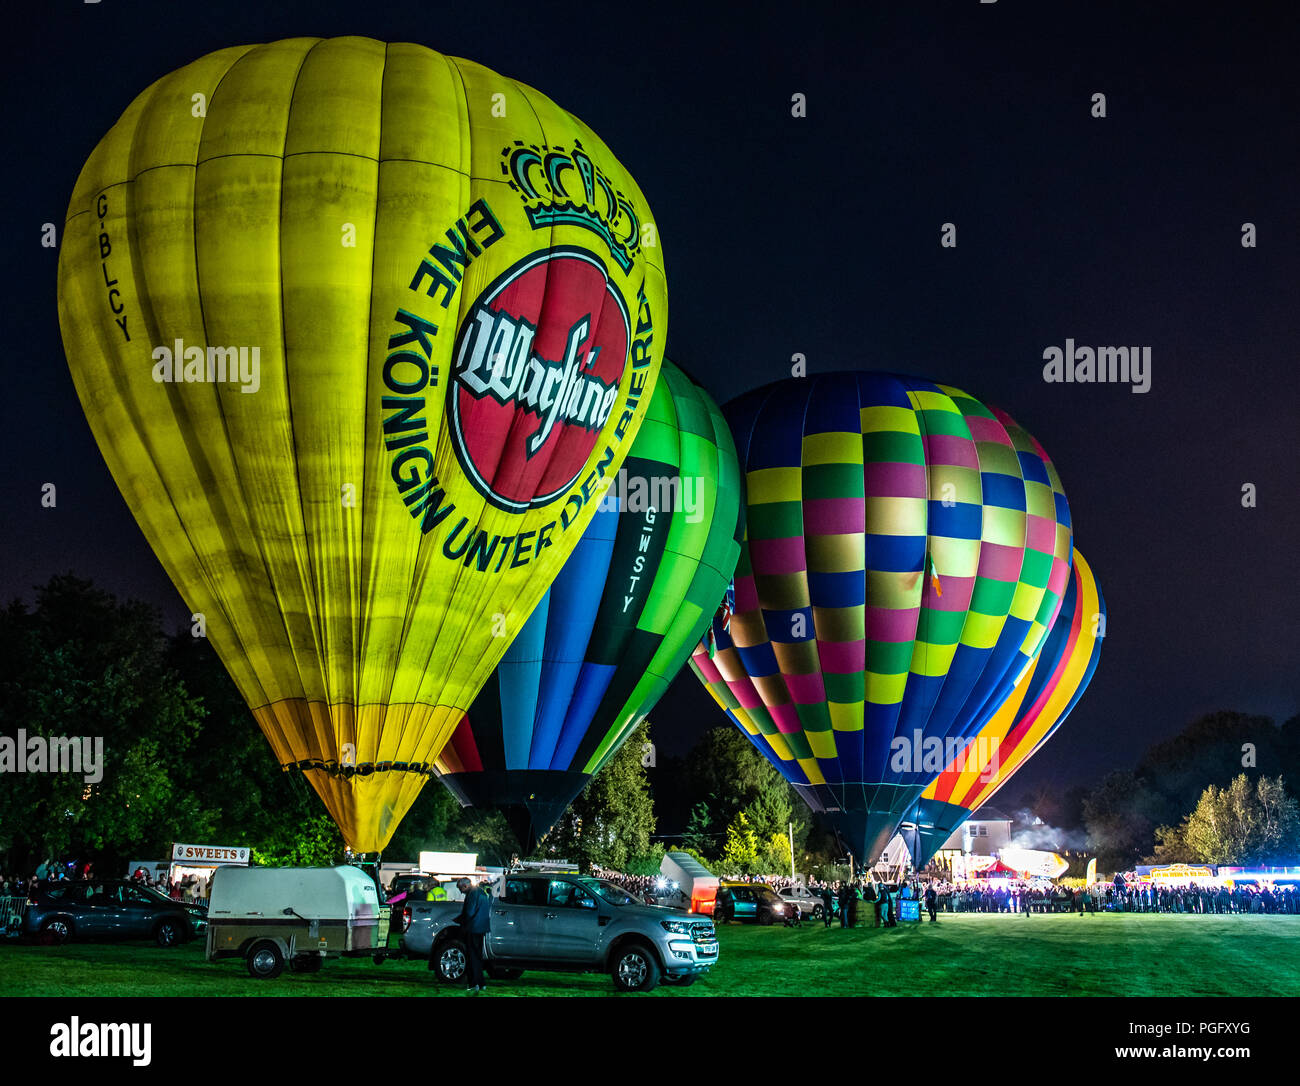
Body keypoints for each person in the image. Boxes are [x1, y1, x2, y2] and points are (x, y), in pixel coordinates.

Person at [446, 876, 490, 993]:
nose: (461, 892)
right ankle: (481, 983)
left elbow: (469, 912)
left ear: (465, 886)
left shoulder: (471, 894)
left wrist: (458, 920)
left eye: (461, 889)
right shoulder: (481, 892)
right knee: (478, 956)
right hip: (482, 928)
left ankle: (473, 983)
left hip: (472, 928)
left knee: (471, 957)